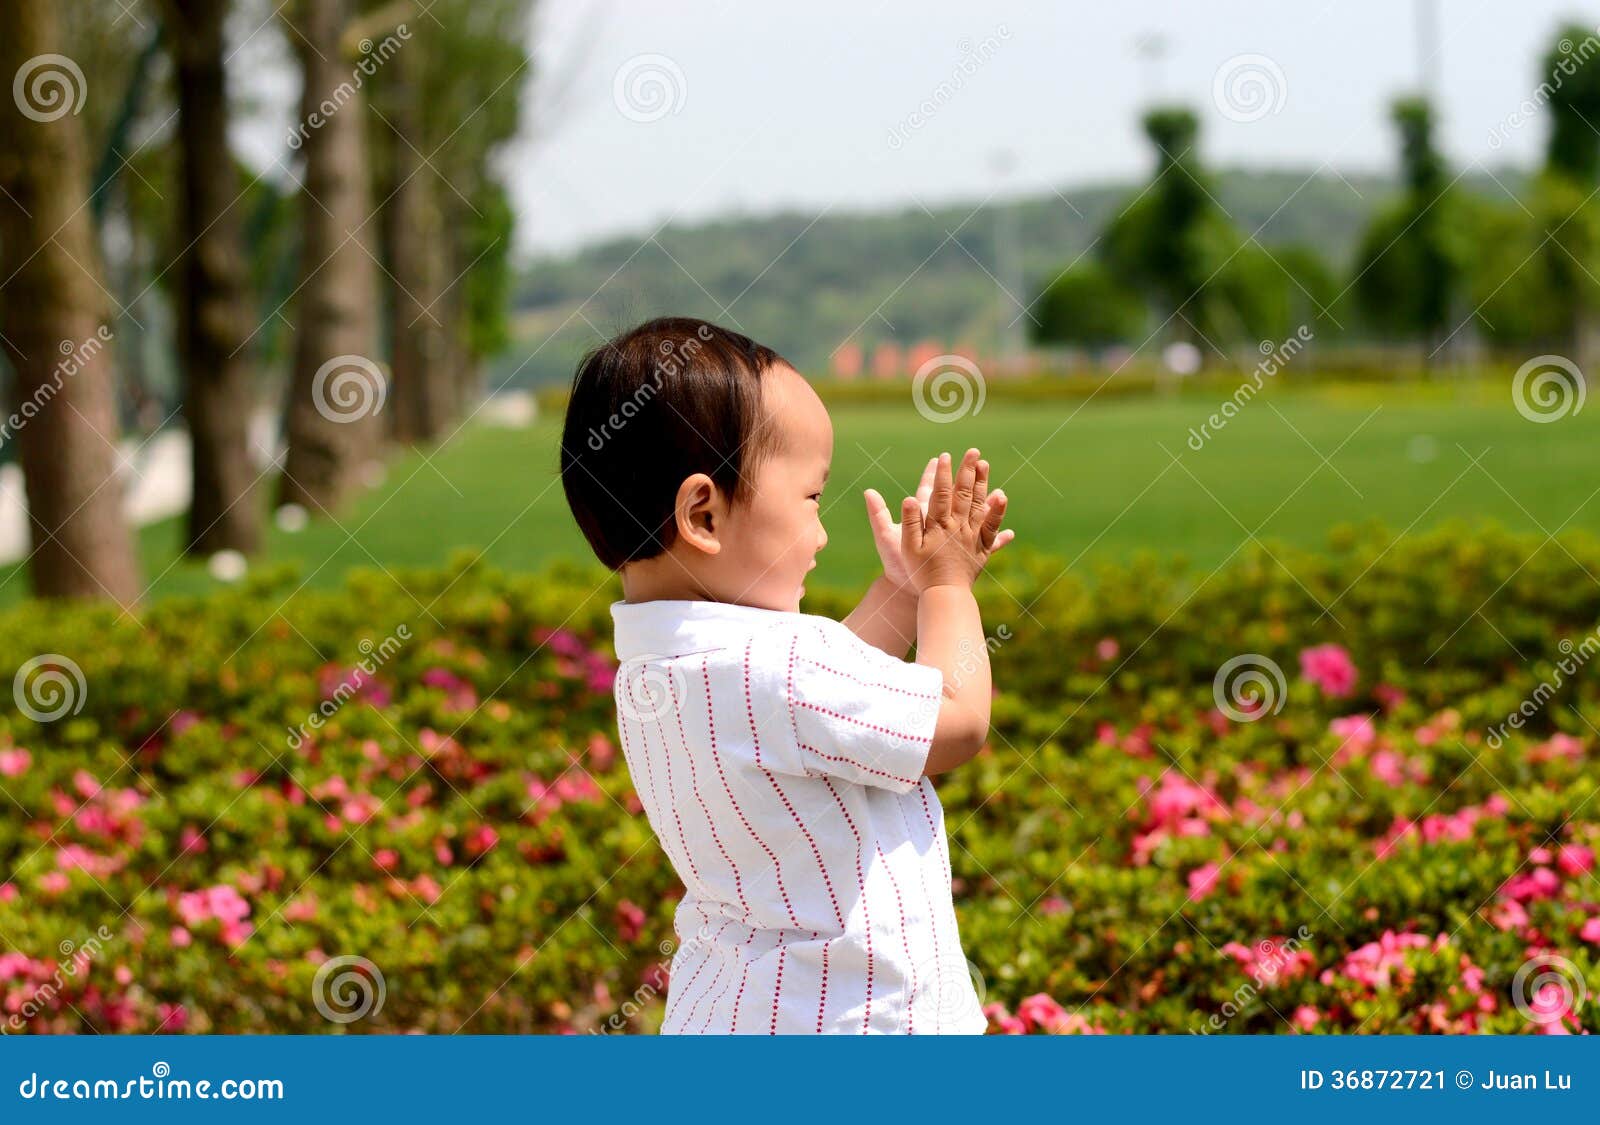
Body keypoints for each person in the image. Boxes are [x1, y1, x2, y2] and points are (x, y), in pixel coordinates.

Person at [559, 317, 1013, 1033]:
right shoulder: (785, 667)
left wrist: (899, 591)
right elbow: (956, 719)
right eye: (810, 498)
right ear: (703, 513)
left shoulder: (655, 671)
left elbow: (823, 717)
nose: (823, 531)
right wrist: (947, 587)